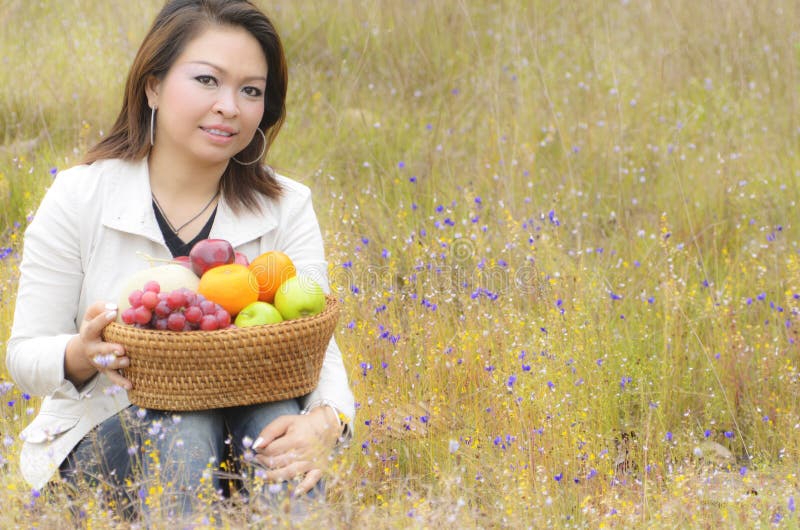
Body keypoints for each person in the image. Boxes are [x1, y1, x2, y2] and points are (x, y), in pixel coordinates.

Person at [6, 0, 354, 521]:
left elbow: (312, 340)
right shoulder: (80, 195)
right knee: (185, 424)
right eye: (207, 80)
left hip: (242, 422)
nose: (229, 107)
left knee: (282, 418)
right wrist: (82, 353)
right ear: (152, 85)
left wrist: (328, 420)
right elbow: (24, 354)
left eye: (251, 90)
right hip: (107, 430)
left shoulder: (287, 204)